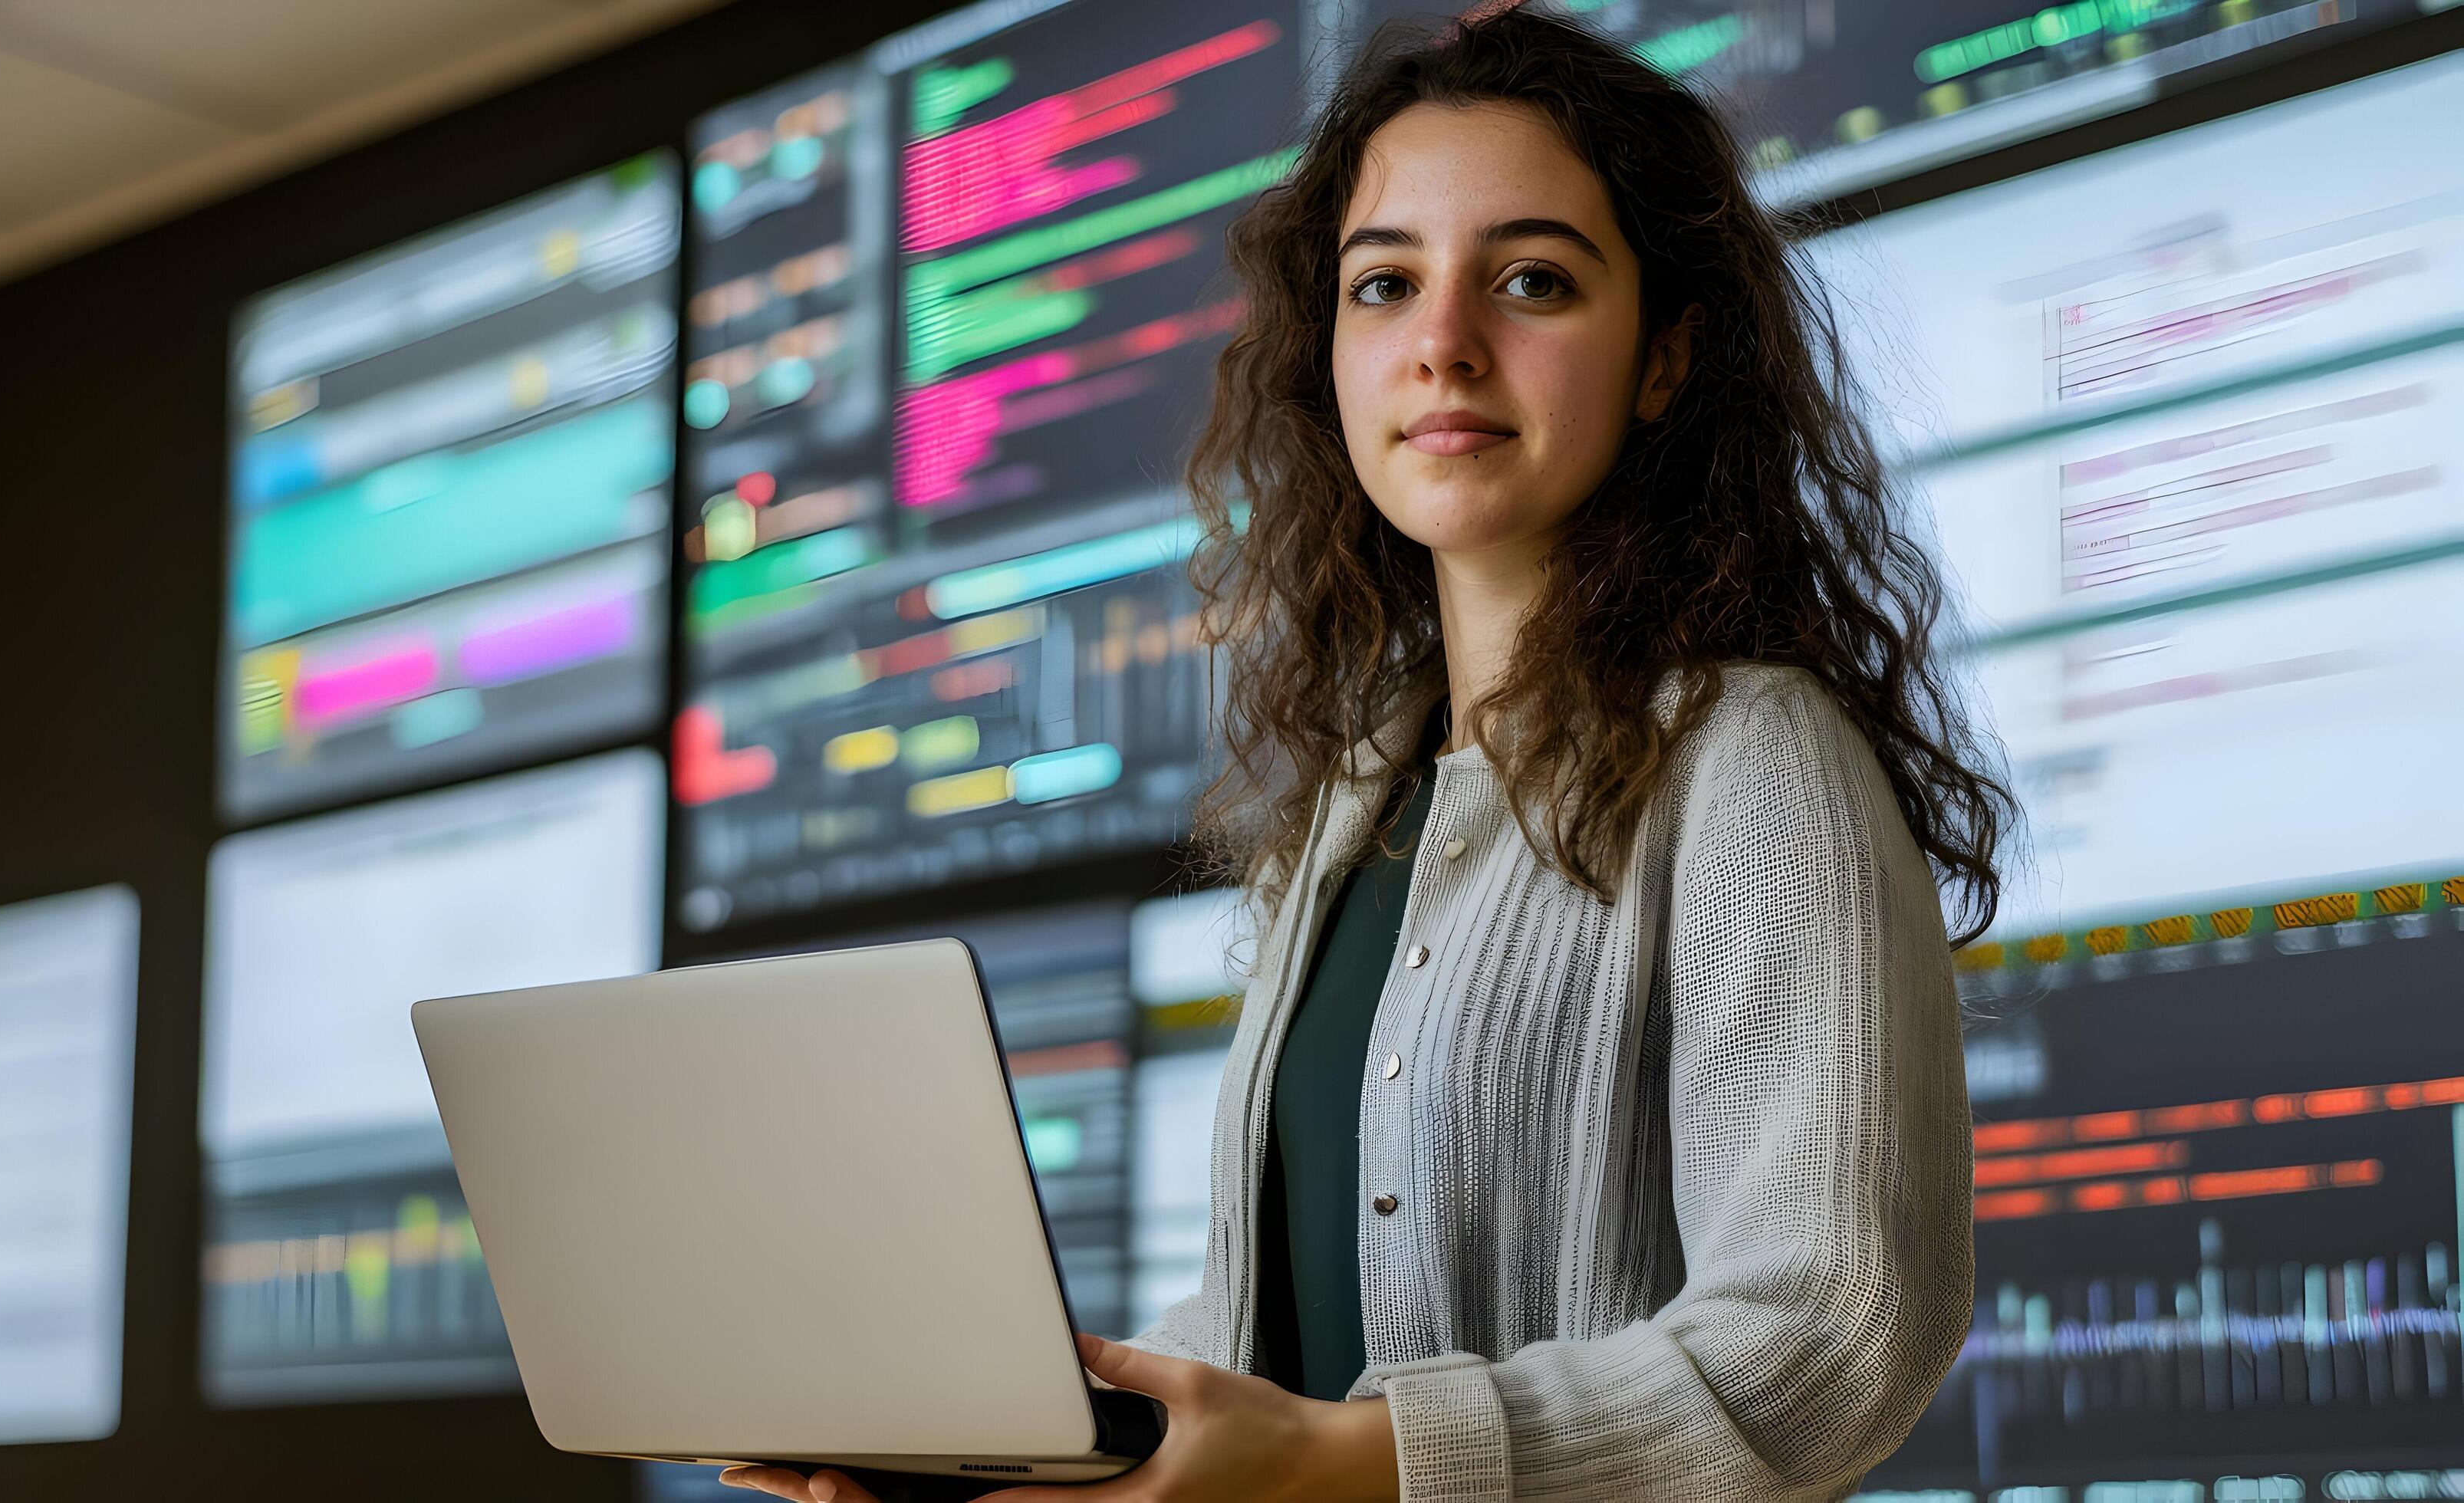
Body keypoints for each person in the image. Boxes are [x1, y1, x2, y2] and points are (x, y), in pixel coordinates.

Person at [724, 5, 2008, 1499]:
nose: (1443, 345)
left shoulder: (1752, 756)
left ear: (1666, 356)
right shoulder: (1354, 800)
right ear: (1329, 354)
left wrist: (1348, 1458)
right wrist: (994, 1454)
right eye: (1384, 284)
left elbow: (1830, 1334)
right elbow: (1268, 1331)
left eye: (1531, 280)